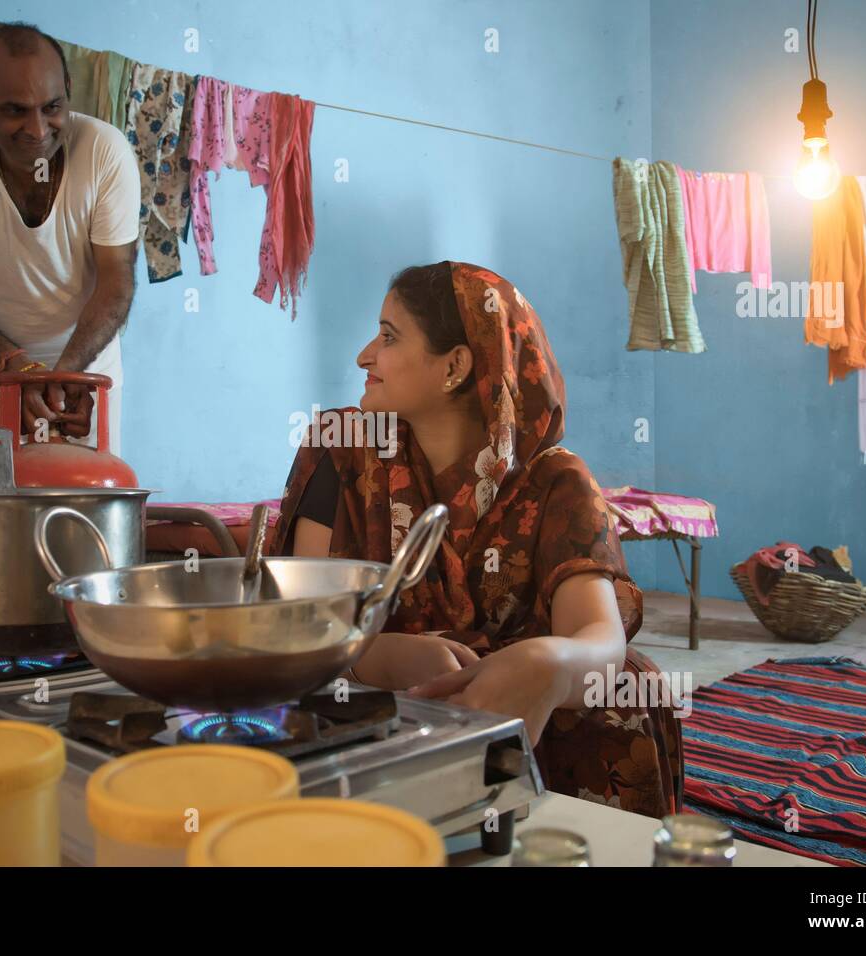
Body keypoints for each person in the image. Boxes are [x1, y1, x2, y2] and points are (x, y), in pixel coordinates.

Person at [269, 260, 684, 817]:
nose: (365, 356)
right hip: (377, 693)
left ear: (456, 366)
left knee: (624, 691)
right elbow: (299, 623)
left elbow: (598, 637)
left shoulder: (556, 482)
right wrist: (376, 655)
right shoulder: (341, 453)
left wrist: (548, 665)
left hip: (520, 710)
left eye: (389, 337)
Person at [0, 21, 140, 482]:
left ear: (68, 91)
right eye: (15, 111)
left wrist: (65, 375)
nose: (37, 130)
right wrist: (15, 369)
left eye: (52, 107)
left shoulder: (105, 151)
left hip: (84, 366)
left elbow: (116, 284)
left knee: (84, 511)